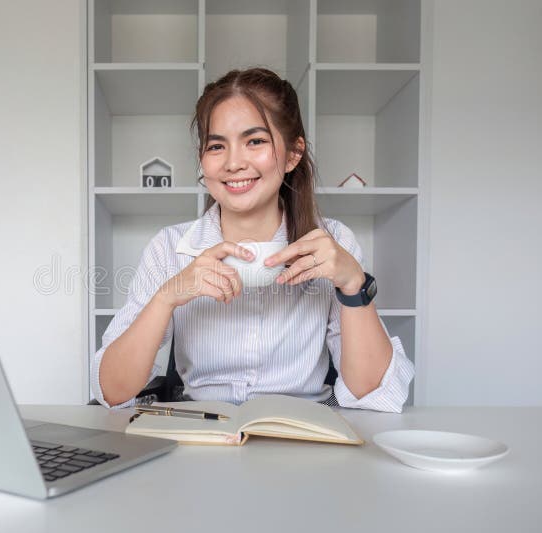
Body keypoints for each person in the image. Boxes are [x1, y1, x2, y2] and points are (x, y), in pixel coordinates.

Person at [92, 68, 414, 413]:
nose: (233, 163)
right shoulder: (170, 247)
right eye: (217, 146)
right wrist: (168, 296)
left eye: (255, 141)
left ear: (293, 154)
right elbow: (112, 392)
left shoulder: (333, 241)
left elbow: (373, 393)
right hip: (202, 432)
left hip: (301, 432)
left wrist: (354, 285)